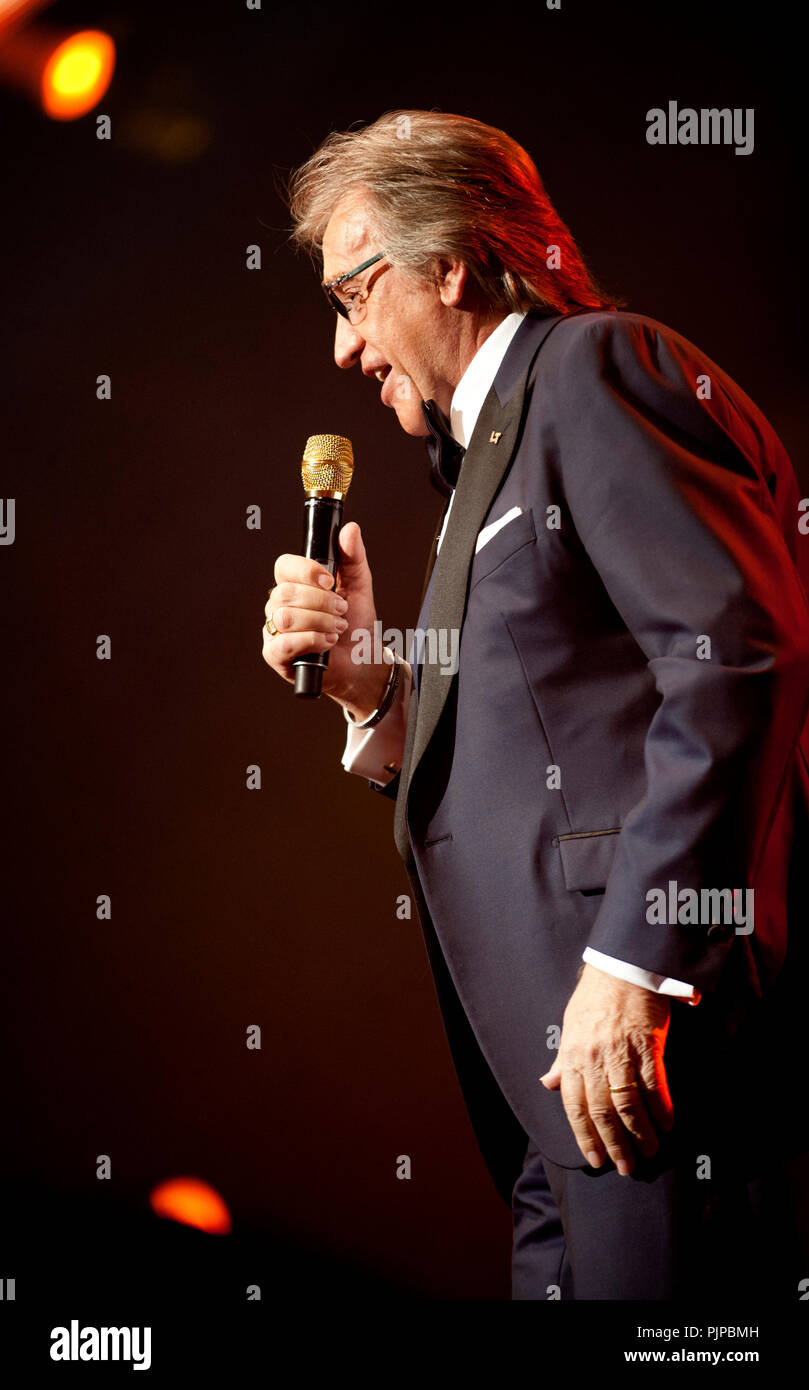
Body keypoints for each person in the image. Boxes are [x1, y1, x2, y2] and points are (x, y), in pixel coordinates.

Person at [262, 109, 809, 1300]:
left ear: (450, 262)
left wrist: (633, 962)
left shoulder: (593, 370)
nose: (346, 349)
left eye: (354, 295)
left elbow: (733, 659)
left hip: (651, 1063)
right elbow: (548, 731)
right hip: (554, 1111)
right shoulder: (483, 456)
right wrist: (372, 690)